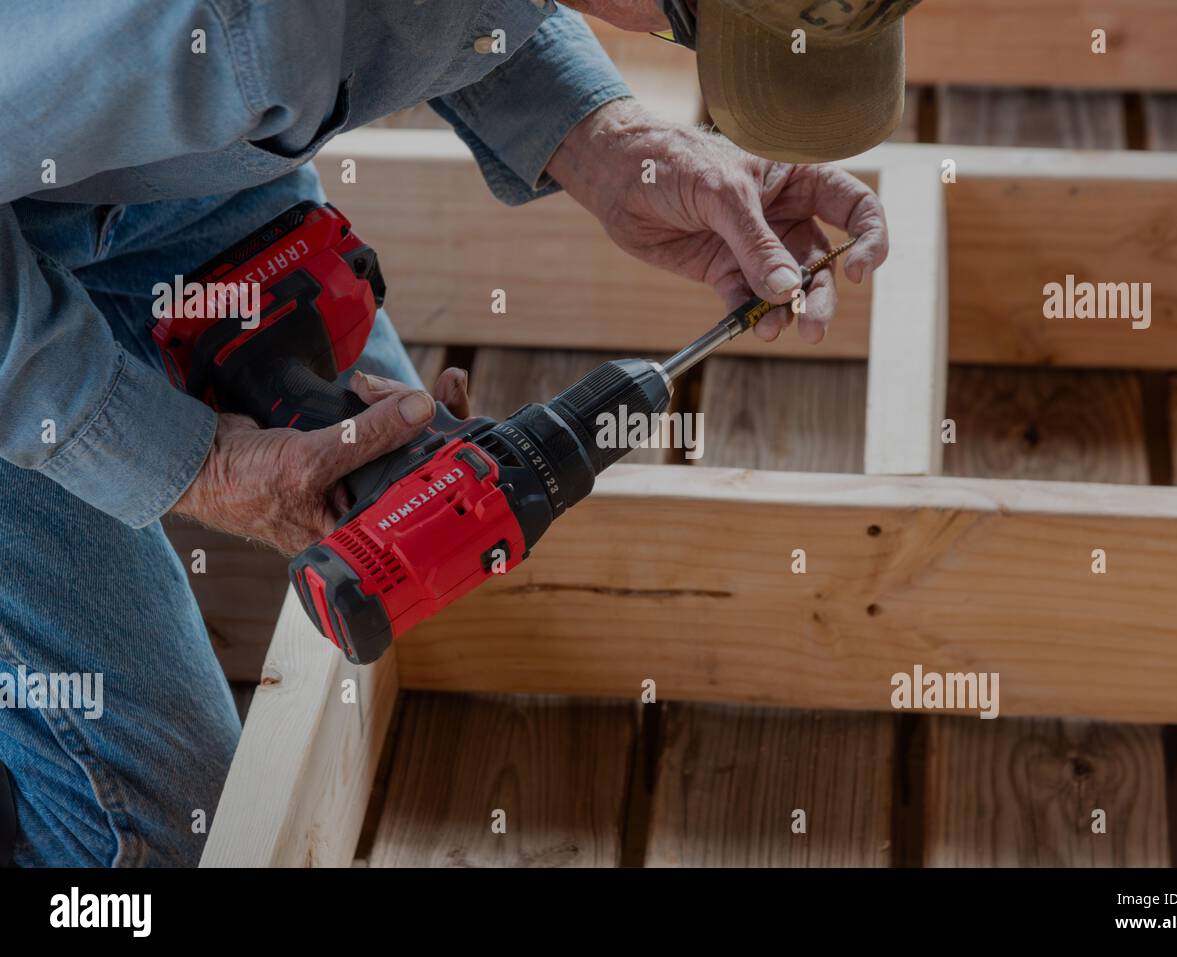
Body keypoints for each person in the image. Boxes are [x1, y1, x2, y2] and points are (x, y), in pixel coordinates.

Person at [0, 0, 918, 865]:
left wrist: (608, 144)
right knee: (161, 827)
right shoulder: (195, 21)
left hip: (159, 168)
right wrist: (190, 465)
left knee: (404, 521)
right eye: (692, 27)